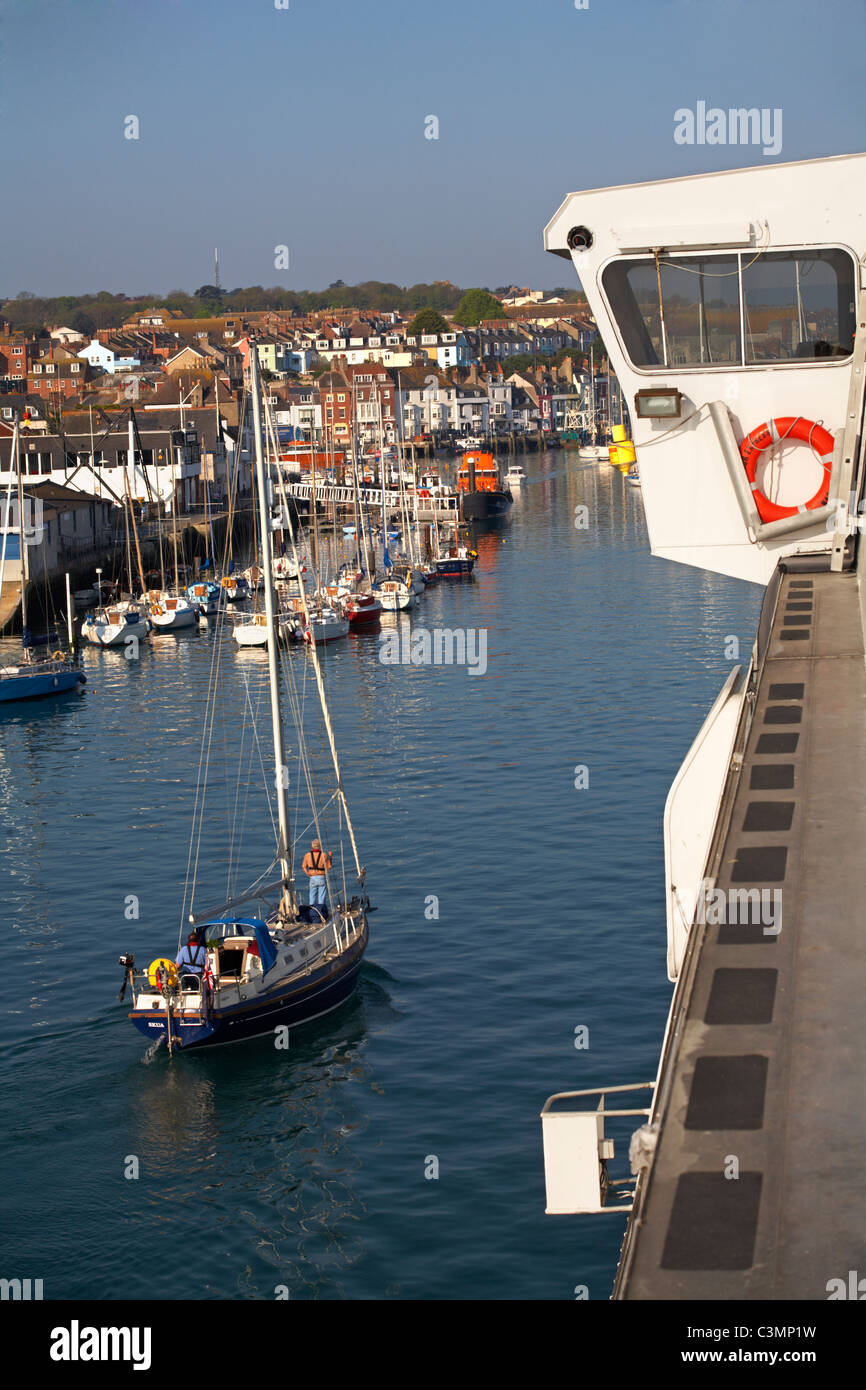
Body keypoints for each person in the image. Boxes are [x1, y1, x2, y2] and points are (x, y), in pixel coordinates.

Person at [302, 838, 332, 912]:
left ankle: (312, 912)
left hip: (312, 877)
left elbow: (304, 866)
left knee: (312, 896)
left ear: (312, 846)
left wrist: (308, 873)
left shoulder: (307, 855)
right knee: (321, 897)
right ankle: (321, 912)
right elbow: (329, 867)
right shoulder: (324, 855)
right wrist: (330, 857)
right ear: (320, 846)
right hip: (321, 877)